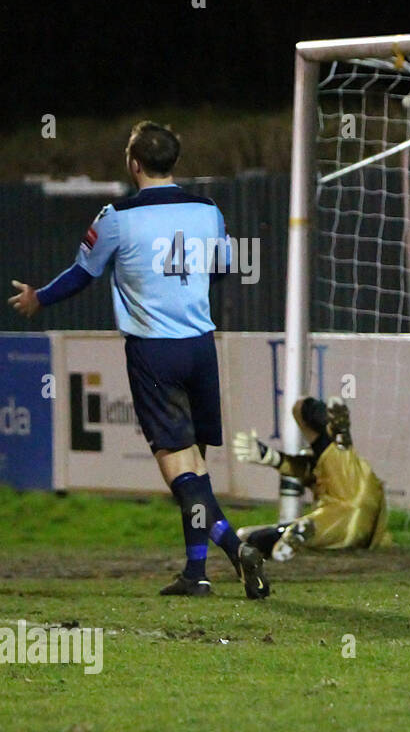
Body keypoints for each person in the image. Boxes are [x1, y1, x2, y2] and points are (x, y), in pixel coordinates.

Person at [8, 121, 270, 599]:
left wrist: (38, 299)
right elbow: (224, 268)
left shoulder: (117, 217)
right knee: (196, 465)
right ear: (174, 161)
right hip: (200, 346)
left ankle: (235, 549)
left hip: (154, 351)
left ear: (133, 164)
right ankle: (197, 571)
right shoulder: (206, 209)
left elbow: (82, 274)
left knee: (178, 468)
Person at [232, 396, 391, 560]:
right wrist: (271, 457)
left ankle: (298, 534)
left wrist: (273, 458)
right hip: (360, 518)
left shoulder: (329, 461)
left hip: (341, 517)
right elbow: (310, 470)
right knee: (247, 536)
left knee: (301, 409)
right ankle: (295, 534)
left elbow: (308, 468)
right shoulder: (334, 464)